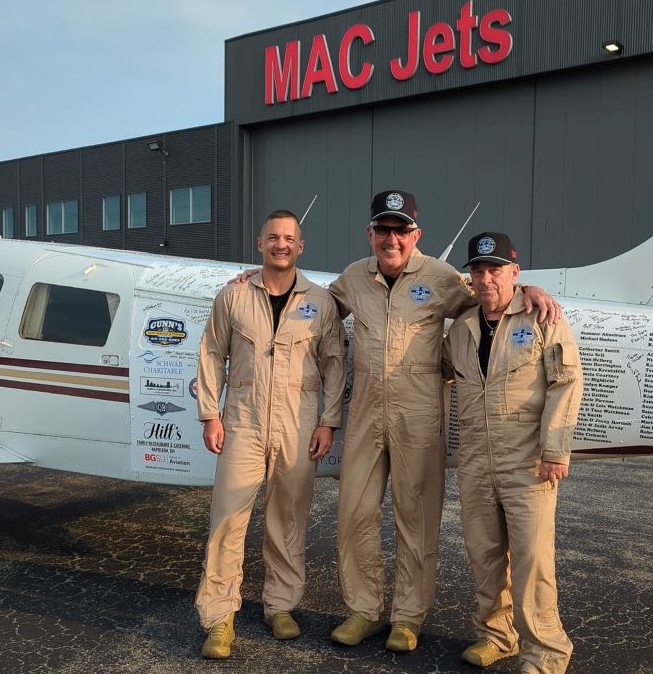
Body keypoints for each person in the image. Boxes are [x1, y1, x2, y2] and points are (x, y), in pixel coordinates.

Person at [327, 192, 561, 653]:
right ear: (370, 233)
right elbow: (313, 306)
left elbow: (492, 291)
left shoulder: (441, 278)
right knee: (354, 515)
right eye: (383, 229)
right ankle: (363, 610)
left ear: (416, 234)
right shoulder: (353, 278)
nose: (391, 239)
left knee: (415, 519)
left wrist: (531, 289)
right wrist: (263, 278)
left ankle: (407, 618)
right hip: (365, 415)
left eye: (401, 230)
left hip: (418, 417)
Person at [195, 209, 347, 660]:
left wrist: (328, 421)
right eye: (273, 237)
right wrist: (209, 414)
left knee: (288, 519)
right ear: (260, 243)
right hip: (242, 421)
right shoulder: (234, 297)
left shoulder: (320, 302)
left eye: (289, 238)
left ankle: (280, 605)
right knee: (227, 521)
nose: (281, 244)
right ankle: (219, 617)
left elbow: (335, 364)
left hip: (298, 425)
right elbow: (210, 354)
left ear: (300, 247)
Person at [442, 232, 582, 674]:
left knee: (532, 561)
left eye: (496, 270)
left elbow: (566, 382)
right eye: (478, 271)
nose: (486, 279)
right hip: (476, 462)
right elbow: (445, 374)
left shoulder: (543, 317)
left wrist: (556, 450)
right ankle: (497, 636)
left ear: (515, 274)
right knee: (483, 555)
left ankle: (545, 654)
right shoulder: (462, 328)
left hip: (528, 462)